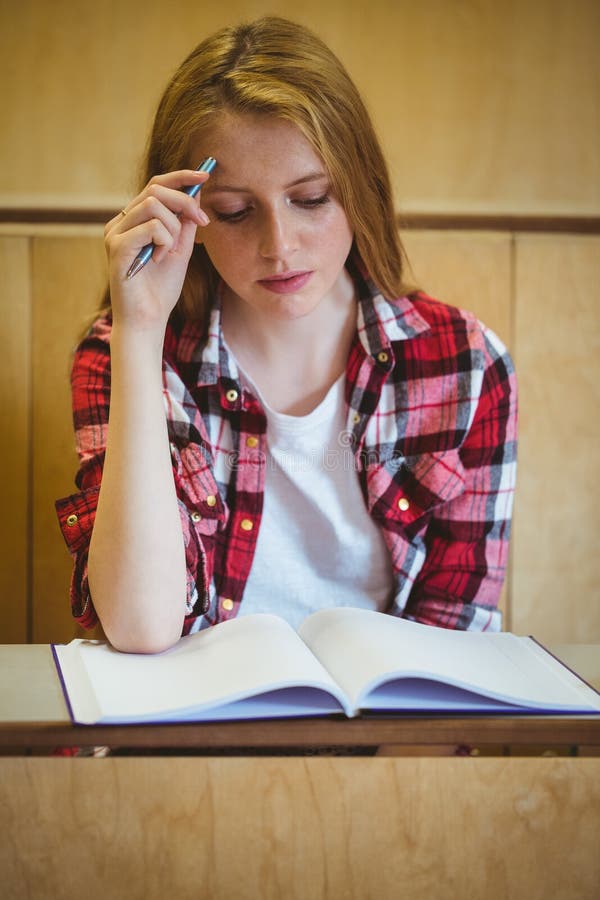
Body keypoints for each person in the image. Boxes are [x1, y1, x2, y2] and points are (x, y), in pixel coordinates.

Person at [56, 15, 517, 654]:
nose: (280, 247)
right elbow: (138, 626)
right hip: (184, 742)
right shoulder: (122, 356)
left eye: (313, 199)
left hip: (387, 745)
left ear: (361, 189)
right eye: (235, 212)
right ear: (188, 214)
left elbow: (457, 646)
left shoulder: (465, 366)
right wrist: (140, 330)